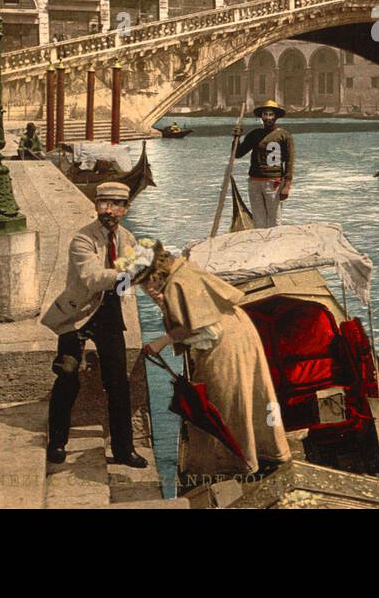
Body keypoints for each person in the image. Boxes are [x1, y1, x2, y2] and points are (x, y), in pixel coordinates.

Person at [138, 246, 290, 479]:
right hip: (240, 332)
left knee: (219, 403)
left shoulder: (177, 285)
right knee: (250, 397)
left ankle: (232, 466)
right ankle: (263, 454)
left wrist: (162, 341)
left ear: (155, 275)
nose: (149, 291)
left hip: (225, 343)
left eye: (148, 286)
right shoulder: (184, 271)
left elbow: (203, 329)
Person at [41, 182, 147, 468]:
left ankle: (124, 450)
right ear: (96, 206)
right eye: (103, 204)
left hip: (109, 314)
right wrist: (131, 270)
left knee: (118, 383)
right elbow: (91, 278)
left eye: (115, 205)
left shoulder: (128, 238)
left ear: (125, 209)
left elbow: (126, 283)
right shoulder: (82, 239)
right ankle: (57, 442)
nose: (109, 211)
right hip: (78, 314)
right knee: (68, 373)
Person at [234, 100, 294, 229]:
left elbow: (289, 161)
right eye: (265, 114)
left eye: (270, 115)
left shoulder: (284, 135)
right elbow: (238, 154)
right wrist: (237, 137)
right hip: (254, 181)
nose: (267, 118)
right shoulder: (254, 134)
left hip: (274, 182)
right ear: (261, 116)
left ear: (276, 116)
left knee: (275, 220)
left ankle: (276, 246)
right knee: (258, 220)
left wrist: (287, 185)